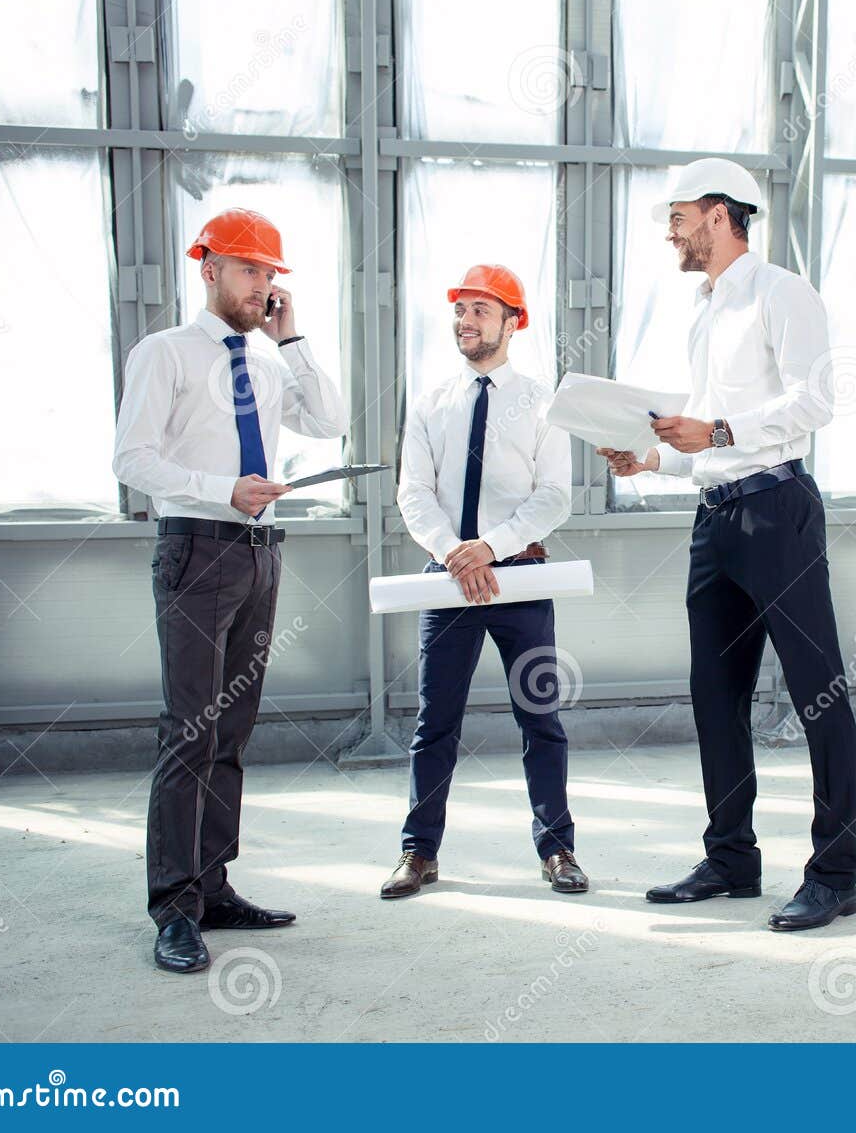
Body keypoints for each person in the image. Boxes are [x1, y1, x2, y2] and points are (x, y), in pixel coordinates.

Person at [599, 158, 856, 931]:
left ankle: (836, 872)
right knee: (716, 696)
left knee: (820, 693)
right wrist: (657, 456)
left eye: (679, 217)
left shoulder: (783, 293)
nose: (672, 232)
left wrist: (712, 430)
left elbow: (817, 398)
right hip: (714, 516)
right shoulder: (705, 310)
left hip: (777, 509)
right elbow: (715, 440)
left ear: (719, 215)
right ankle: (731, 856)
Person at [113, 207, 346, 972]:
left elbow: (330, 419)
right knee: (190, 731)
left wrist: (292, 338)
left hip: (258, 552)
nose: (263, 283)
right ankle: (173, 907)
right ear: (208, 269)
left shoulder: (270, 359)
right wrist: (223, 489)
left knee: (232, 730)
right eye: (250, 269)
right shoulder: (165, 354)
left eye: (271, 273)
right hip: (196, 548)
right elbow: (132, 458)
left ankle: (213, 886)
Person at [381, 264, 585, 900]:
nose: (465, 321)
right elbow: (412, 492)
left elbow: (555, 496)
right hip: (448, 583)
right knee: (434, 723)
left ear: (511, 322)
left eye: (480, 310)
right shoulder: (432, 402)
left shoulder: (542, 403)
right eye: (460, 310)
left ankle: (558, 851)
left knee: (540, 718)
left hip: (519, 580)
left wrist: (488, 549)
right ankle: (419, 854)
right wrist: (454, 554)